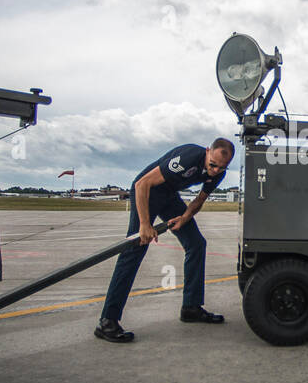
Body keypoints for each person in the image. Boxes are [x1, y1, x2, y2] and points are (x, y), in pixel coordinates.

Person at [94, 139, 235, 343]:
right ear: (207, 152)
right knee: (134, 251)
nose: (215, 170)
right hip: (147, 194)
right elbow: (142, 184)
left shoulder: (218, 172)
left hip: (169, 196)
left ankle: (191, 307)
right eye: (212, 164)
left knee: (196, 243)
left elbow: (199, 200)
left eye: (222, 167)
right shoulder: (187, 158)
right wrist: (144, 225)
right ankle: (107, 320)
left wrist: (184, 218)